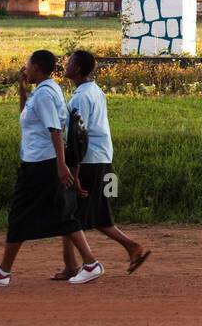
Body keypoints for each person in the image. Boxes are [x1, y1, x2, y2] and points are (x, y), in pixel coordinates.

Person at [0, 50, 104, 287]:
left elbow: (54, 129)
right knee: (61, 215)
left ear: (38, 67)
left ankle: (3, 273)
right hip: (40, 161)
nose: (25, 68)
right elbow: (26, 115)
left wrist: (61, 165)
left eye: (28, 65)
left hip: (41, 164)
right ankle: (90, 263)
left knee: (21, 215)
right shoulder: (48, 89)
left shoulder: (44, 94)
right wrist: (22, 89)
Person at [54, 49, 152, 278]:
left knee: (72, 214)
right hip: (102, 156)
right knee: (92, 214)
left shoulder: (80, 97)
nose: (65, 66)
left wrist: (75, 174)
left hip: (89, 160)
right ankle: (74, 264)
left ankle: (80, 264)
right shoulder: (96, 91)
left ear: (77, 68)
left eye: (69, 63)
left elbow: (79, 137)